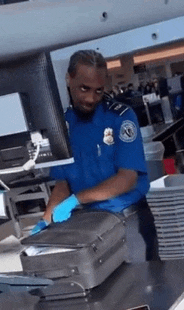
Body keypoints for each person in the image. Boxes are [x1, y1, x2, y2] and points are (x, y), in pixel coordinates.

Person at [31, 49, 158, 261]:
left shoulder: (120, 117)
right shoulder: (62, 126)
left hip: (129, 220)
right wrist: (46, 222)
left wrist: (76, 200)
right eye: (84, 88)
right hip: (92, 225)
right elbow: (62, 184)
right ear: (68, 79)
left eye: (98, 91)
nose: (91, 98)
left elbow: (127, 179)